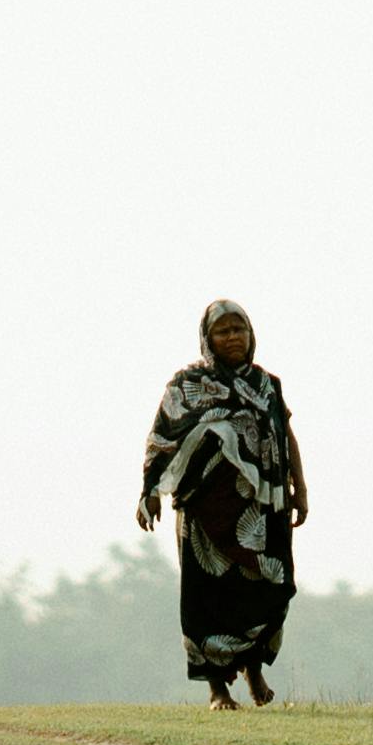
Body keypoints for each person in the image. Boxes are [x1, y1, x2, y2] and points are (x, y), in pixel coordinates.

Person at [134, 297, 306, 705]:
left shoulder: (268, 385)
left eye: (239, 329)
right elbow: (162, 437)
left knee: (268, 587)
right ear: (207, 338)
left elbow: (286, 434)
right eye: (223, 331)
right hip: (204, 512)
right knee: (208, 596)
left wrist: (300, 486)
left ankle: (253, 671)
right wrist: (150, 492)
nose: (233, 337)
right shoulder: (186, 385)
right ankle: (216, 689)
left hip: (262, 509)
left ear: (251, 334)